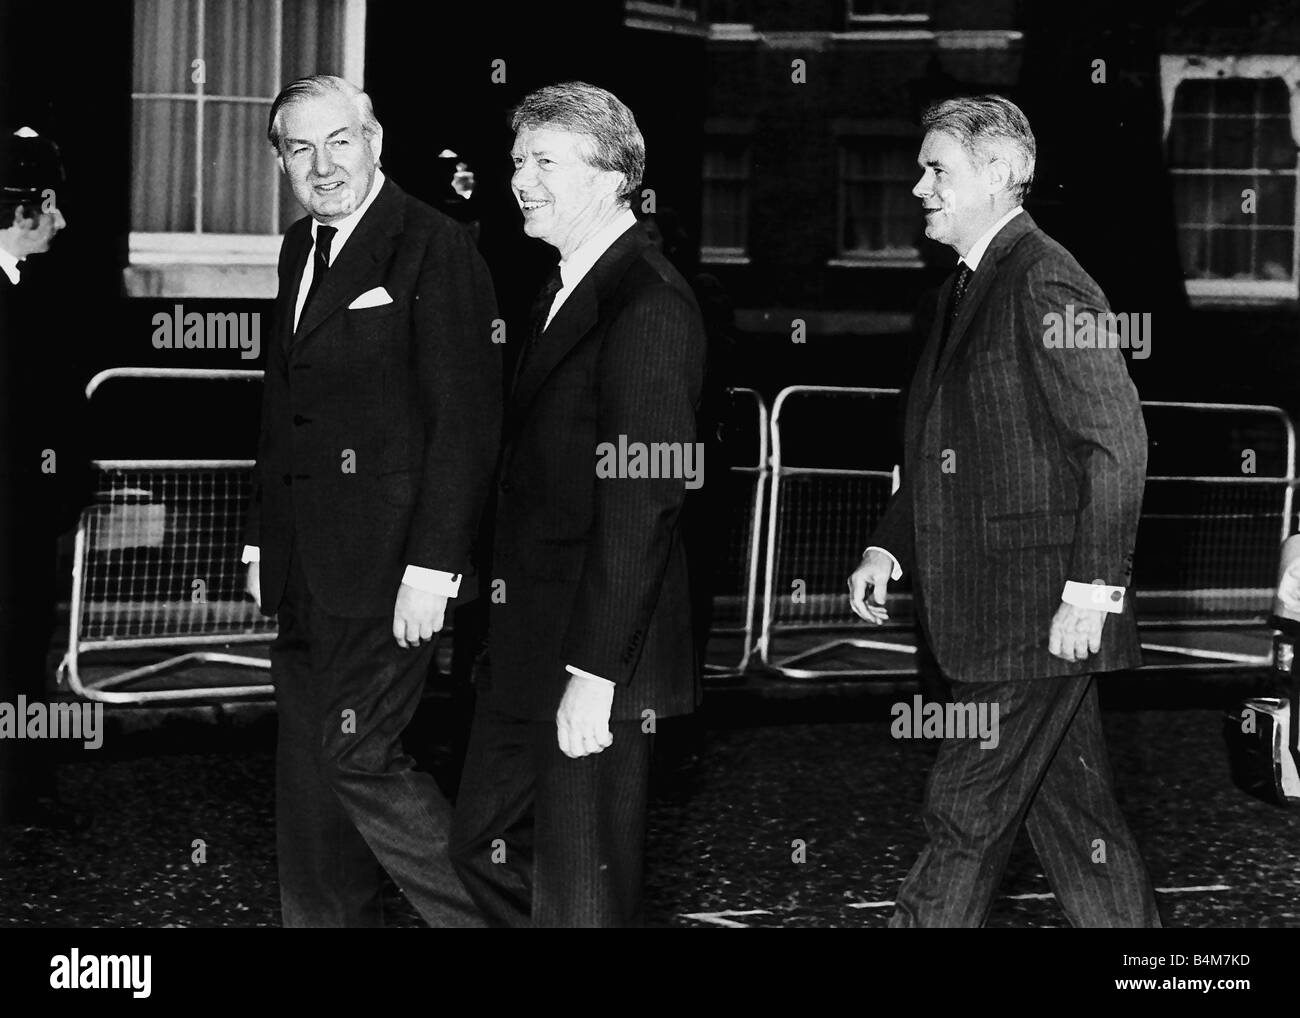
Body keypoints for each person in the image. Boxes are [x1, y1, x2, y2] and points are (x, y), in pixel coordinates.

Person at [847, 95, 1160, 928]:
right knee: (1080, 828)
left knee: (963, 816)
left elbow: (1116, 445)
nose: (919, 187)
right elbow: (953, 450)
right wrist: (891, 546)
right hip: (1004, 608)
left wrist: (1090, 593)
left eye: (935, 169)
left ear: (998, 175)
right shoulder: (969, 285)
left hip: (1033, 611)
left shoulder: (1045, 277)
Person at [242, 75, 501, 927]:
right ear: (281, 162)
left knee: (360, 756)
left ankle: (496, 920)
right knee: (310, 774)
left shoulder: (434, 246)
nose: (323, 165)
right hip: (304, 566)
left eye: (339, 141)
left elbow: (463, 421)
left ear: (375, 141)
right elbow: (285, 408)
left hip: (394, 567)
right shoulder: (296, 249)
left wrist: (434, 567)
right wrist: (258, 545)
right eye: (300, 148)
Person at [450, 81, 707, 927]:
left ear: (610, 178)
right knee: (479, 846)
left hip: (598, 655)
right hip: (527, 641)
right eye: (518, 159)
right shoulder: (557, 289)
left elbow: (644, 502)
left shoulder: (651, 303)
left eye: (545, 161)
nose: (521, 178)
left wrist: (595, 674)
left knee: (584, 891)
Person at [0, 126, 88, 834]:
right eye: (49, 206)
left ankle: (23, 781)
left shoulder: (32, 287)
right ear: (21, 208)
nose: (59, 220)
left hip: (26, 518)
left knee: (26, 644)